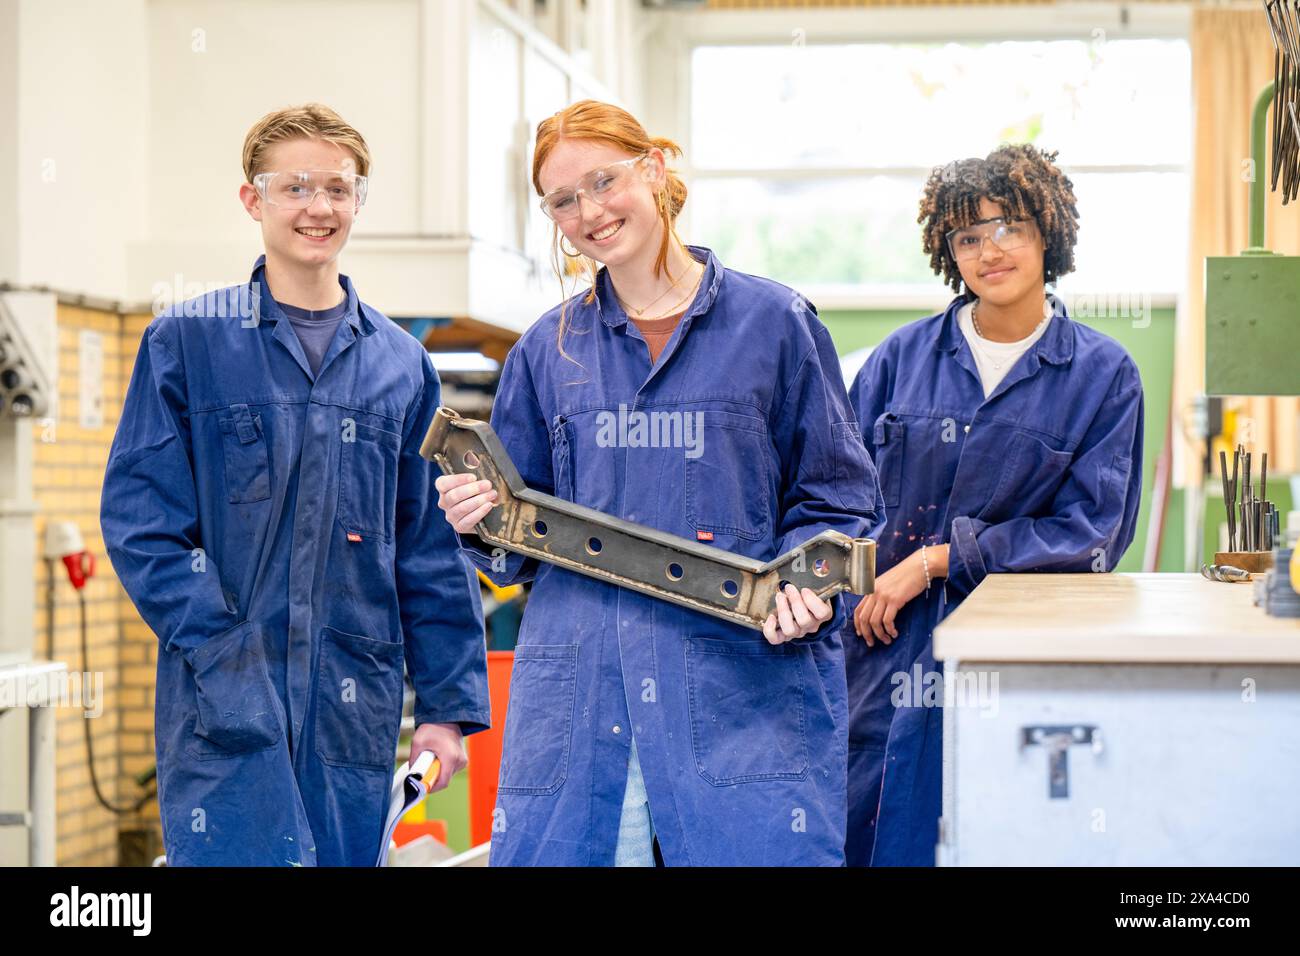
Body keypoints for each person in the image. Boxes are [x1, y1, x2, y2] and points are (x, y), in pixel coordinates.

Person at [436, 99, 885, 866]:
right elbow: (512, 541)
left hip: (741, 693)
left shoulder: (775, 322)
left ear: (654, 169)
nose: (589, 213)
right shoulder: (548, 350)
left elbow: (839, 497)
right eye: (562, 201)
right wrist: (475, 516)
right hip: (584, 696)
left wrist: (807, 584)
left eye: (602, 181)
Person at [101, 104, 489, 866]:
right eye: (297, 187)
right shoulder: (188, 342)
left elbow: (426, 550)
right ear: (254, 199)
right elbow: (143, 524)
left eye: (339, 190)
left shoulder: (400, 365)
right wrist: (224, 652)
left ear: (358, 200)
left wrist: (447, 708)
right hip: (222, 702)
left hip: (354, 704)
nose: (320, 208)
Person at [844, 144, 1144, 866]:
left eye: (1008, 226)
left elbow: (1093, 533)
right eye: (968, 236)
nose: (990, 250)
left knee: (998, 831)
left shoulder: (1102, 377)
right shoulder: (898, 360)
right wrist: (848, 584)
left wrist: (941, 560)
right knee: (866, 826)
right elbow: (840, 491)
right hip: (882, 647)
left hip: (1012, 654)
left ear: (1048, 233)